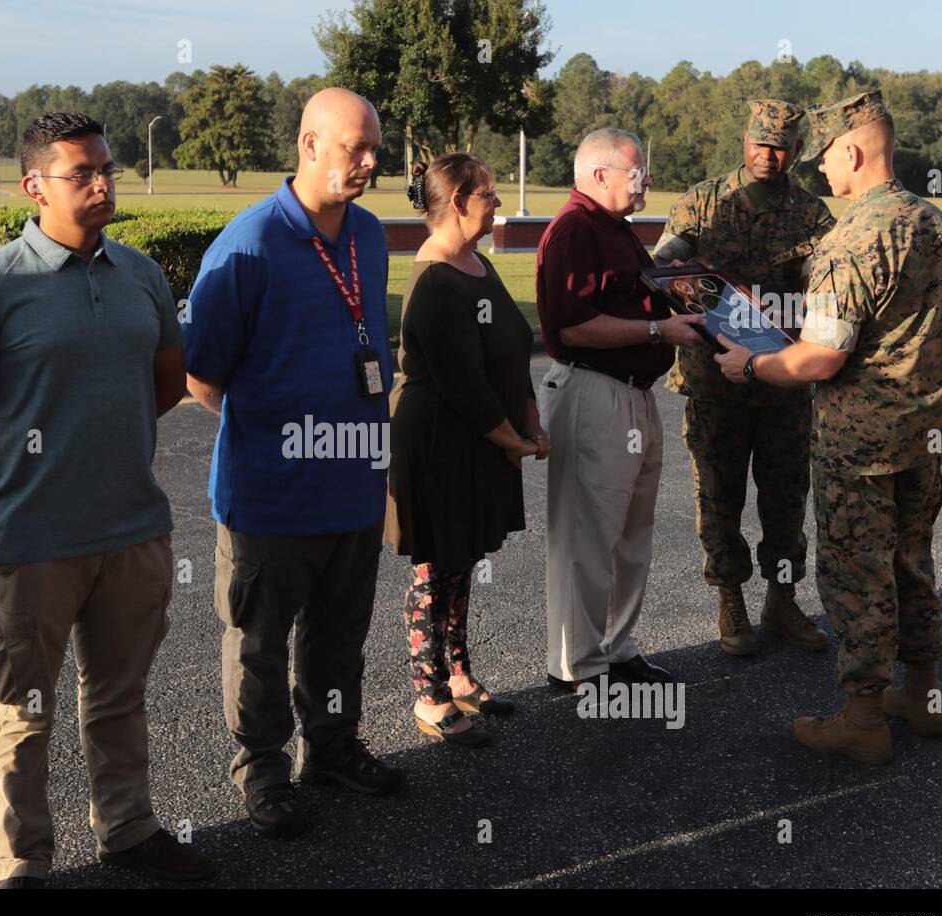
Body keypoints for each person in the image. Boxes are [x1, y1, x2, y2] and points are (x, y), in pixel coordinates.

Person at [0, 111, 213, 885]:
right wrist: (11, 460)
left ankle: (129, 829)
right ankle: (24, 861)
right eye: (83, 173)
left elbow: (167, 382)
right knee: (24, 710)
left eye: (107, 168)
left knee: (119, 696)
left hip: (131, 528)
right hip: (29, 537)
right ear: (34, 185)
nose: (104, 183)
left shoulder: (142, 274)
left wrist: (93, 447)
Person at [715, 91, 942, 764]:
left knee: (858, 573)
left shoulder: (853, 237)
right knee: (913, 563)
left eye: (824, 156)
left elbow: (822, 354)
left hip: (860, 446)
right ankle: (922, 694)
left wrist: (753, 363)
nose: (819, 170)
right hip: (924, 434)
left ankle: (862, 717)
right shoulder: (937, 224)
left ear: (852, 150)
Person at [183, 88, 403, 839]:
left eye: (375, 147)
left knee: (339, 638)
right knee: (257, 644)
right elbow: (202, 375)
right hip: (272, 497)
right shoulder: (246, 246)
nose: (372, 161)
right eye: (356, 148)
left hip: (355, 487)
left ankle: (334, 749)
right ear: (309, 145)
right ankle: (263, 772)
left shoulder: (369, 236)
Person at [654, 100, 836, 656]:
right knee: (719, 493)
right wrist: (673, 266)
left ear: (798, 152)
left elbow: (824, 278)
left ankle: (782, 599)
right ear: (744, 140)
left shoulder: (812, 214)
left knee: (785, 497)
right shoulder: (705, 201)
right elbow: (670, 256)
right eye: (759, 142)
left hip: (783, 380)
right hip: (716, 382)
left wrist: (799, 291)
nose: (767, 154)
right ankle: (729, 595)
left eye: (780, 146)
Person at [535, 128, 706, 693]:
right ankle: (577, 665)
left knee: (632, 532)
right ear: (600, 174)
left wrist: (669, 296)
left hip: (633, 392)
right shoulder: (573, 230)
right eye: (637, 173)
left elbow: (628, 297)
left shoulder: (617, 230)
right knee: (587, 536)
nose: (647, 182)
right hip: (594, 391)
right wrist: (659, 327)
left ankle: (616, 647)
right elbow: (571, 325)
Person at [387, 156, 544, 746]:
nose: (497, 202)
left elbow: (509, 349)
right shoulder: (433, 278)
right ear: (456, 200)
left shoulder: (476, 264)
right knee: (434, 568)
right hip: (440, 439)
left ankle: (458, 676)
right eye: (489, 193)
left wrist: (528, 419)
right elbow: (463, 385)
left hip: (483, 435)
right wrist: (515, 441)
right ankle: (428, 697)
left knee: (463, 561)